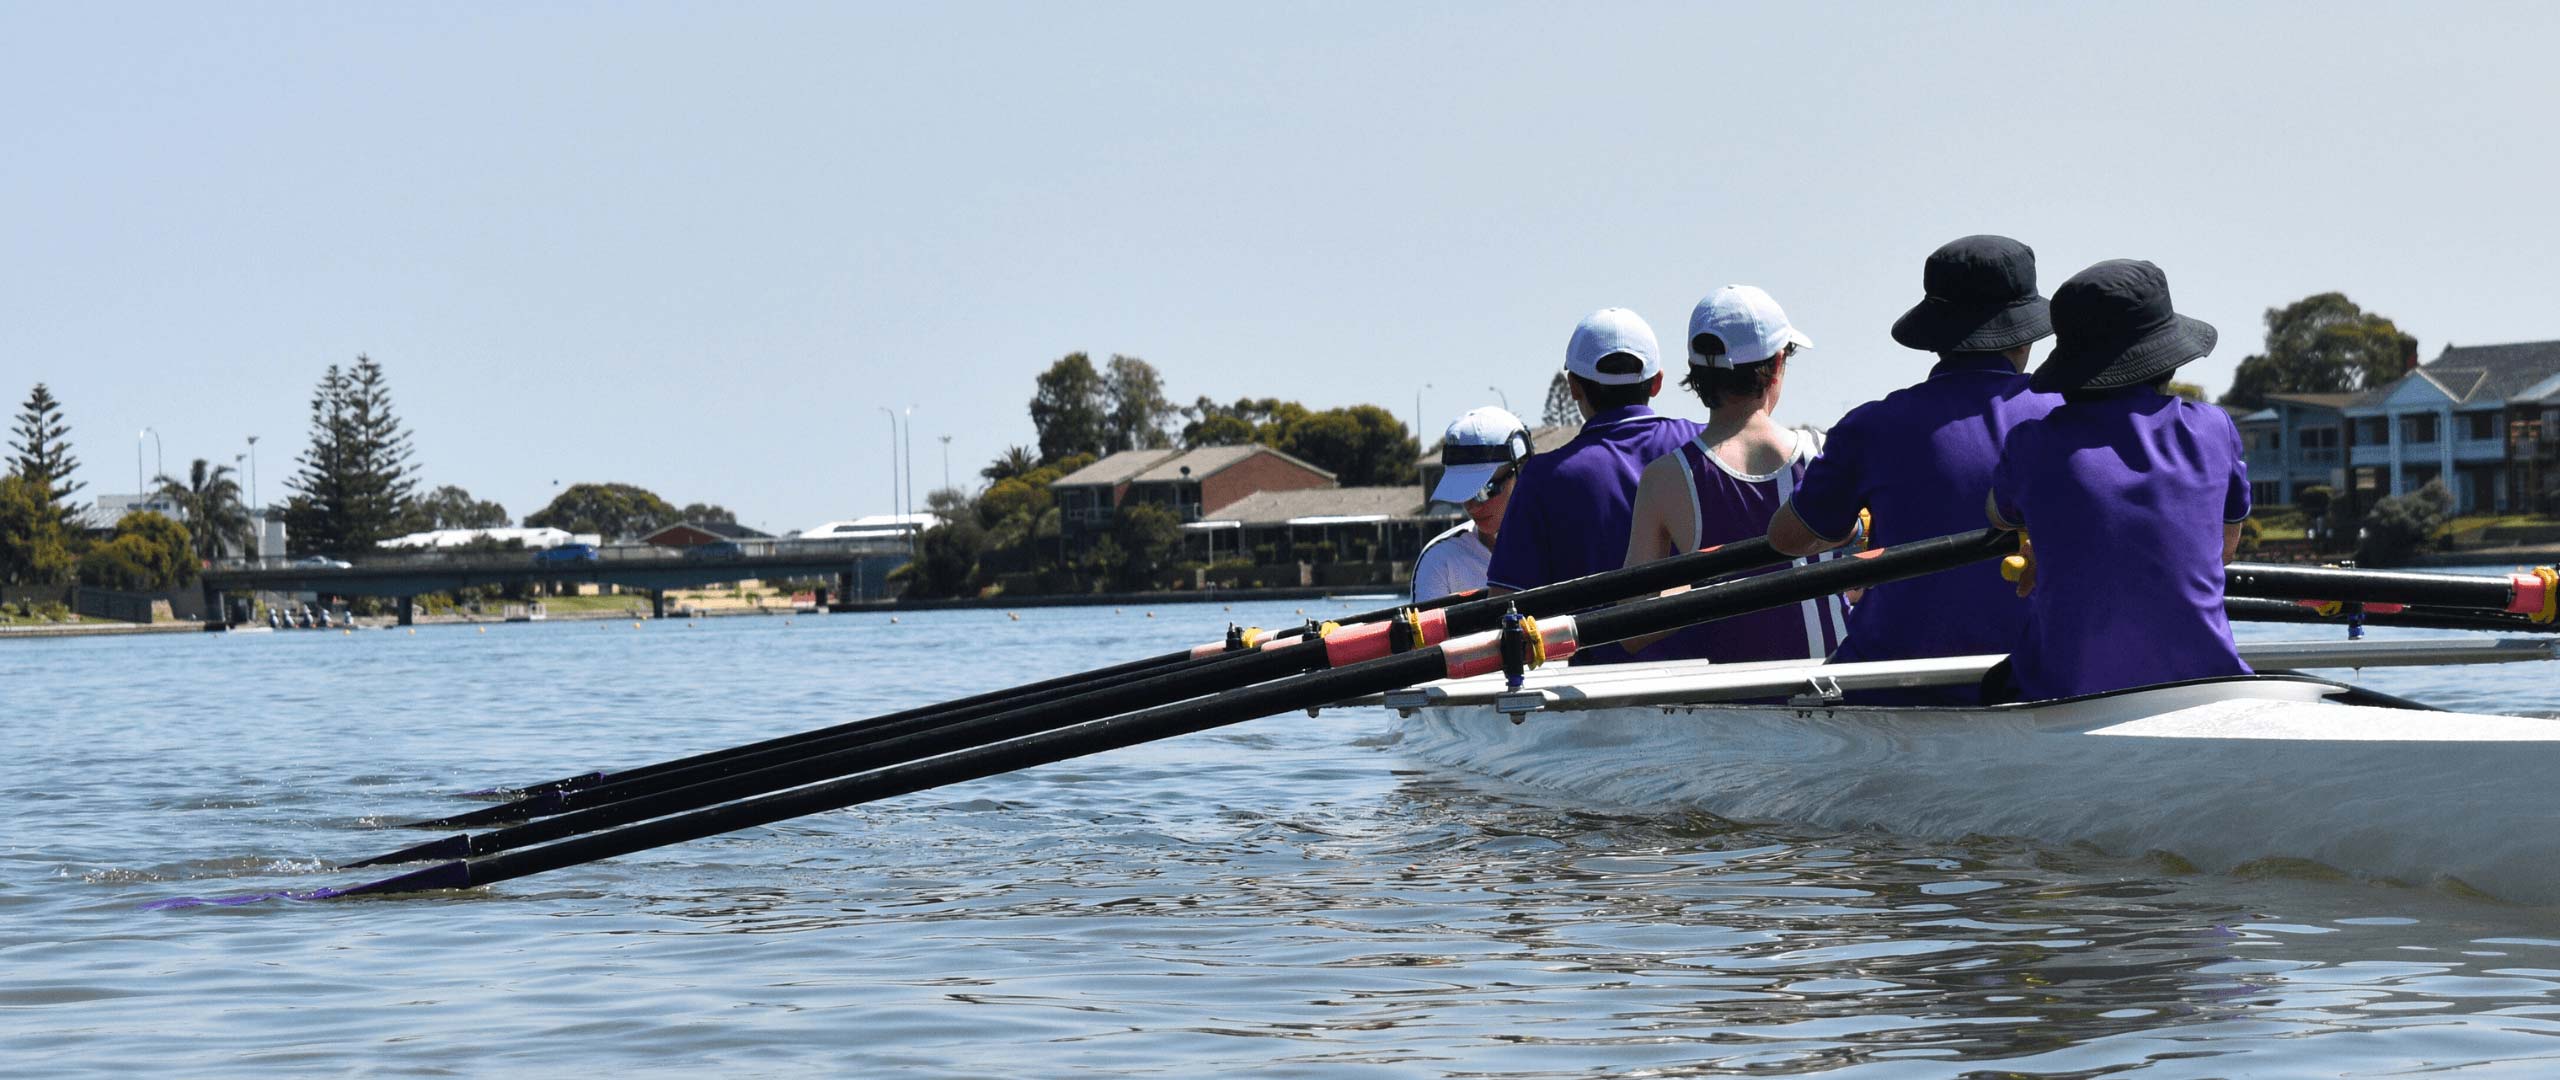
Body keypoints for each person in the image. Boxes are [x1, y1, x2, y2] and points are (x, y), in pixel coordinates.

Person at [1767, 234, 2062, 703]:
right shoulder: (2070, 418)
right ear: (2025, 334)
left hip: (1895, 688)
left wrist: (1849, 525)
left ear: (1936, 334)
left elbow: (1786, 540)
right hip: (2049, 682)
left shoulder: (1871, 426)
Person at [1985, 258, 2251, 701]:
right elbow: (2223, 549)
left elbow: (2000, 516)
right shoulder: (2212, 428)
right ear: (2165, 359)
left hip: (2066, 689)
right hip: (2209, 682)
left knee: (1994, 685)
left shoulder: (2031, 442)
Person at [1622, 285, 1846, 663]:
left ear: (1695, 373)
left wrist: (1711, 583)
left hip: (1741, 707)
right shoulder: (1824, 452)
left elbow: (1632, 627)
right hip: (1842, 693)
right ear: (1776, 364)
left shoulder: (1665, 478)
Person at [1484, 308, 1704, 610]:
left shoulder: (1542, 478)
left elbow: (1506, 609)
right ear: (1657, 382)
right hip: (1725, 657)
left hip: (1597, 658)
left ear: (1573, 386)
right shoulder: (1706, 447)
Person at [1412, 406, 1533, 603]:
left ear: (1523, 470)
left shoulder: (1566, 542)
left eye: (1483, 491)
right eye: (1463, 493)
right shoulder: (1440, 561)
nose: (1471, 506)